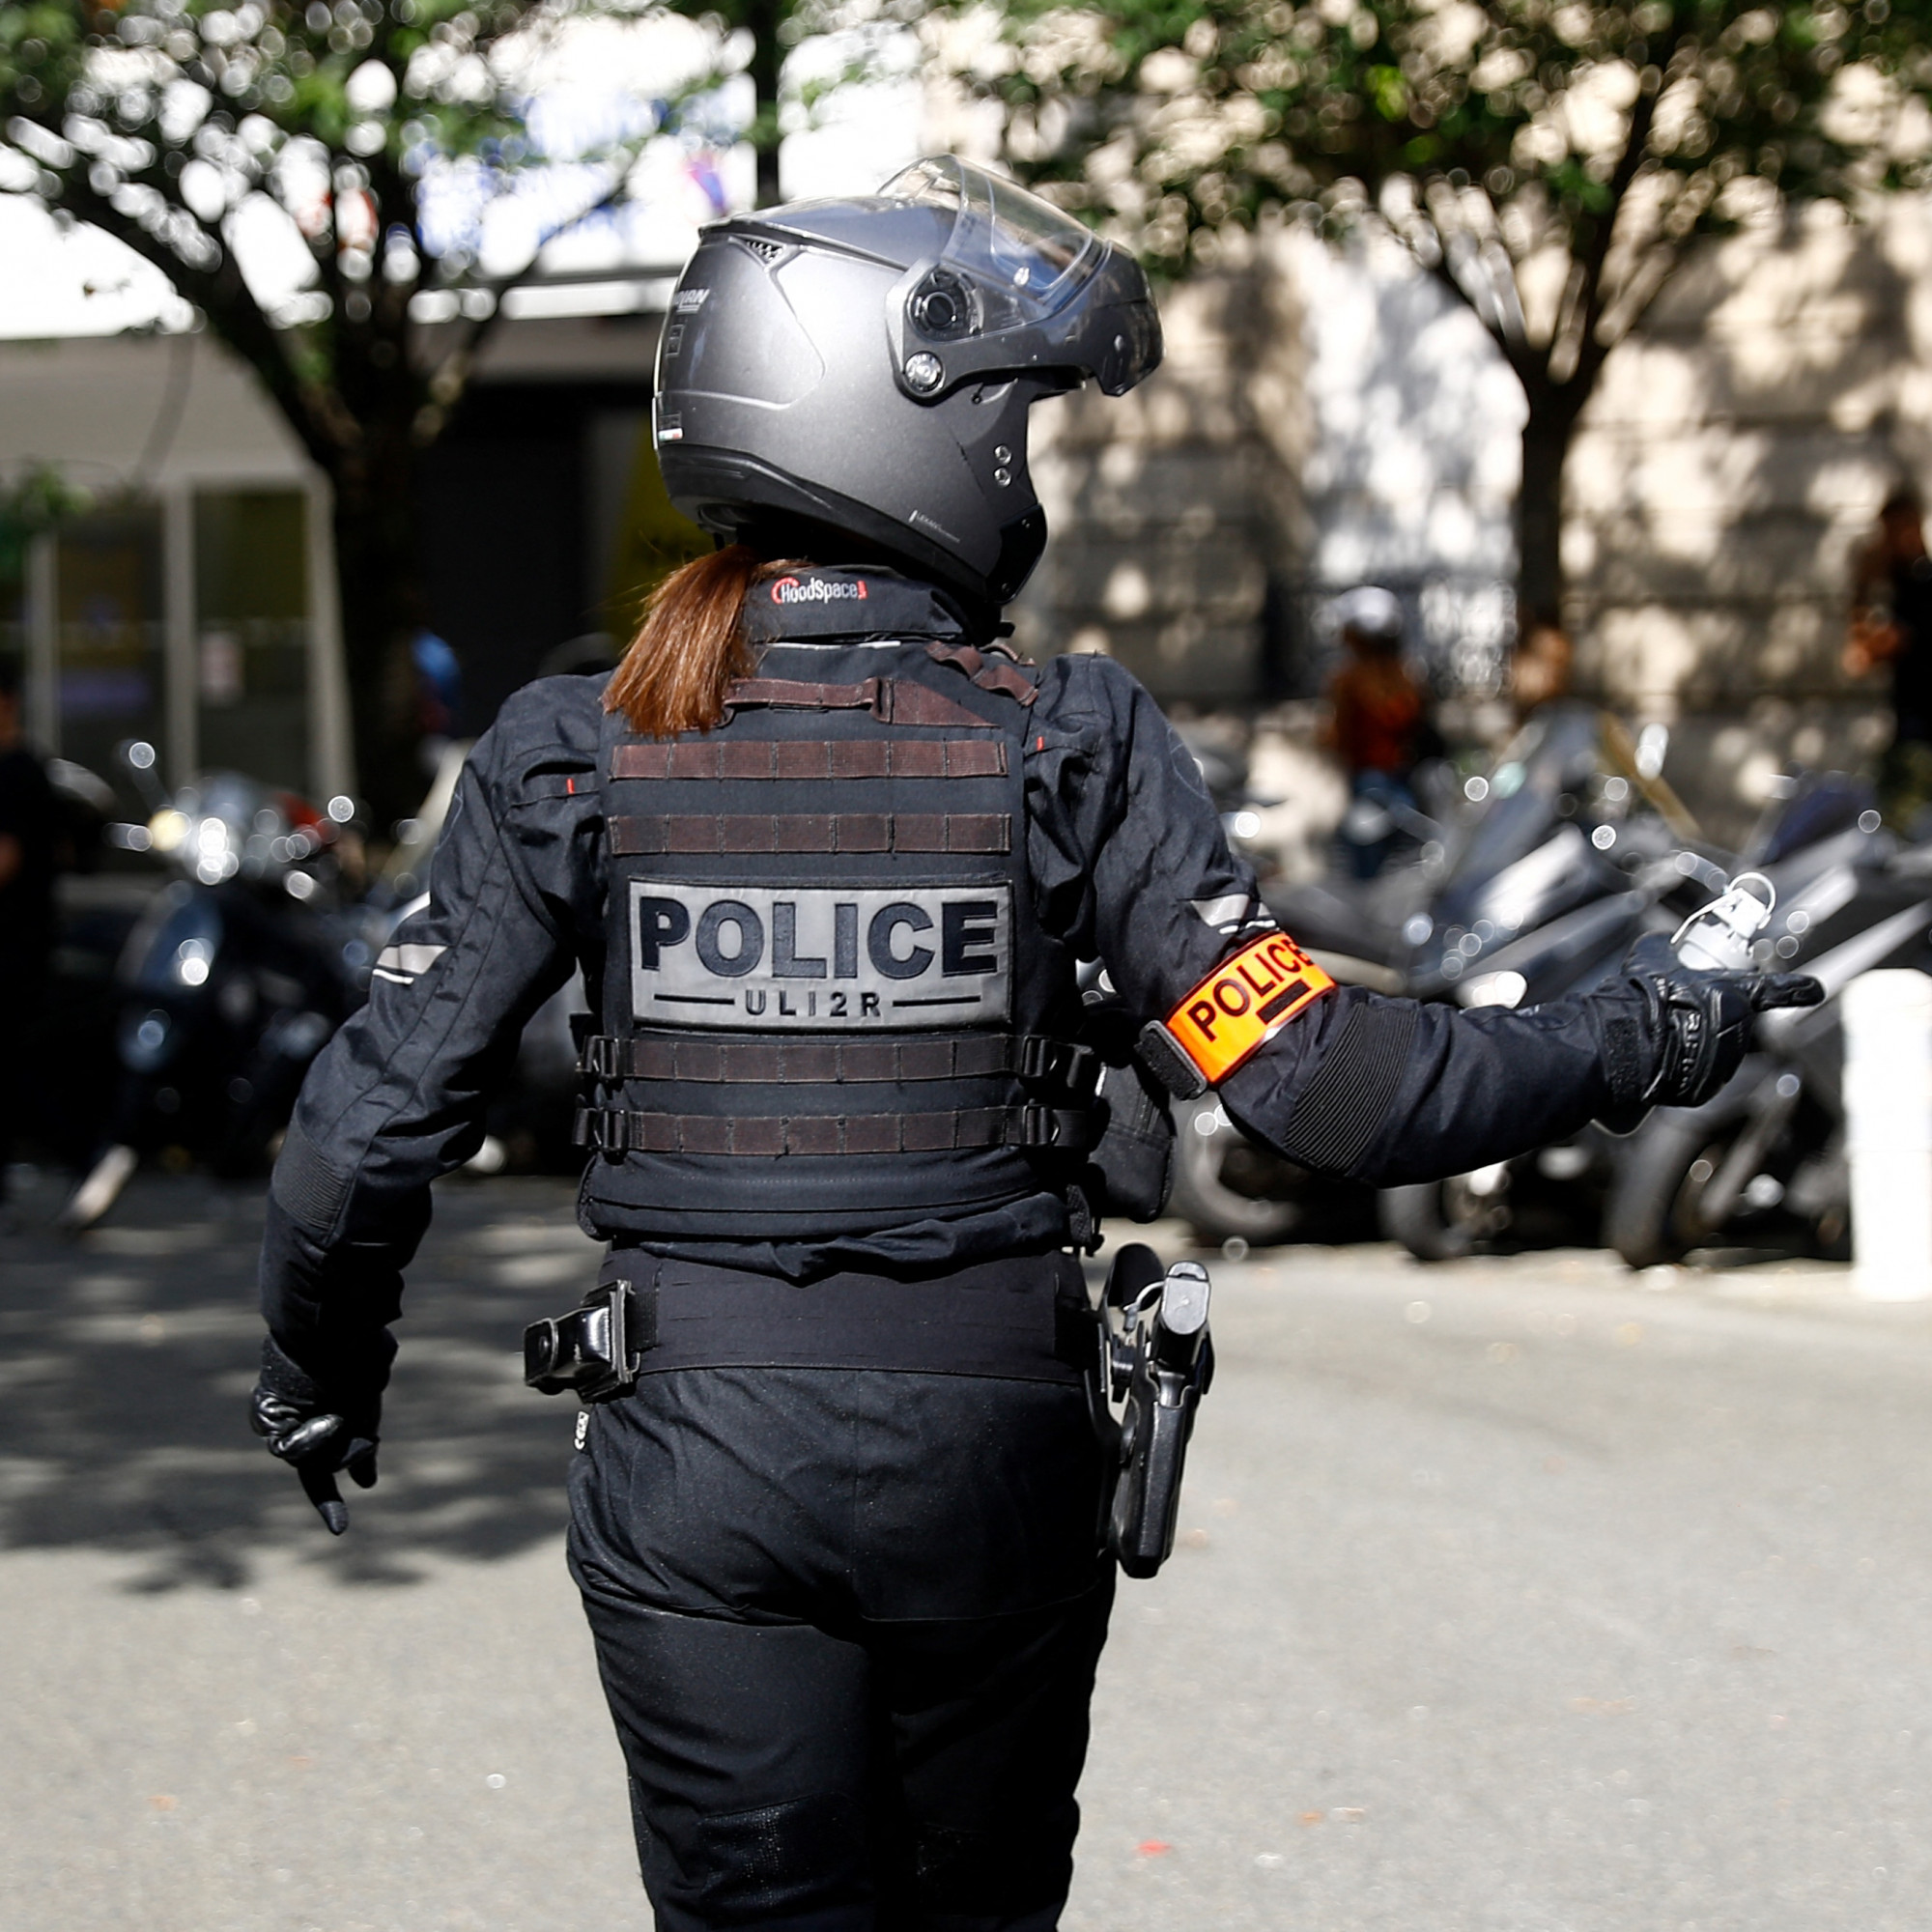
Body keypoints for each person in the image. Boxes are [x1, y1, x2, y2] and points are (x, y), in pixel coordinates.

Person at [248, 157, 1818, 1932]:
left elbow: (359, 1137)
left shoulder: (577, 748)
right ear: (914, 431)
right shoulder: (1067, 743)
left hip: (694, 1462)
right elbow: (1330, 1092)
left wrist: (320, 1374)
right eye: (1019, 429)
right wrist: (1654, 1031)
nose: (1025, 472)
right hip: (988, 1459)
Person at [1321, 586, 1433, 877]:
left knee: (1366, 873)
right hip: (1405, 782)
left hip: (1368, 783)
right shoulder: (1408, 678)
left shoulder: (1348, 681)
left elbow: (1338, 735)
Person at [0, 659, 57, 1222]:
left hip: (15, 946)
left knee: (19, 1068)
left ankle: (90, 1152)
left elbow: (8, 859)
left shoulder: (18, 772)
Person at [1846, 483, 1932, 828]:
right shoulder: (1900, 588)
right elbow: (1857, 660)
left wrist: (1865, 589)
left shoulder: (1922, 589)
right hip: (1910, 734)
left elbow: (1869, 652)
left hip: (1921, 742)